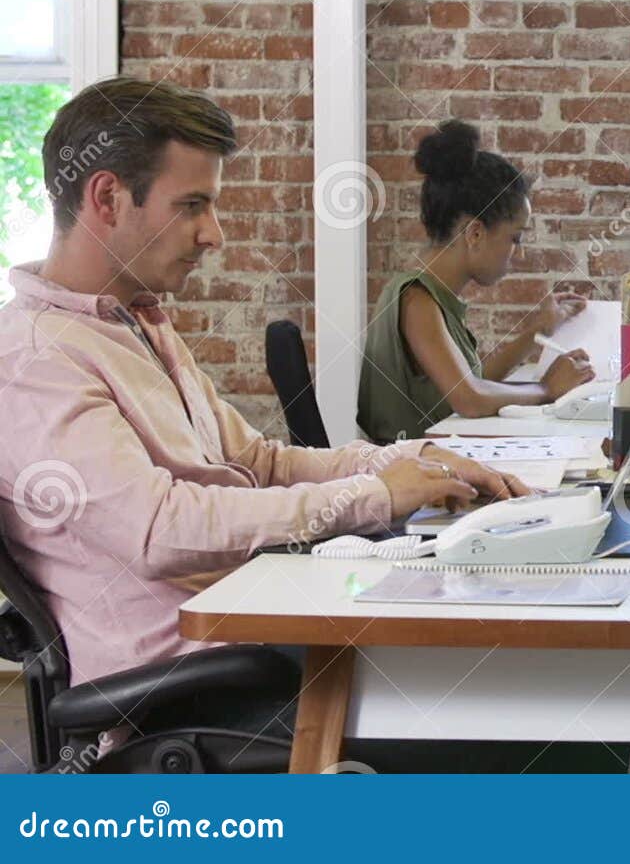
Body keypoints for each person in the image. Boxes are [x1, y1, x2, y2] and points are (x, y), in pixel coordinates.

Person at [0, 78, 525, 689]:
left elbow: (261, 462)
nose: (214, 234)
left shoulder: (137, 322)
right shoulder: (34, 363)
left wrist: (412, 459)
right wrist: (376, 496)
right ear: (109, 198)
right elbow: (159, 529)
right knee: (515, 683)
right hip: (200, 683)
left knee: (510, 644)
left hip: (262, 619)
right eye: (192, 205)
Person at [357, 120, 596, 444]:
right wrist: (546, 390)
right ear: (475, 233)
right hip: (415, 479)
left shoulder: (432, 296)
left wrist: (535, 332)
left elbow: (474, 382)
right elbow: (470, 398)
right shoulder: (417, 300)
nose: (519, 253)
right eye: (515, 237)